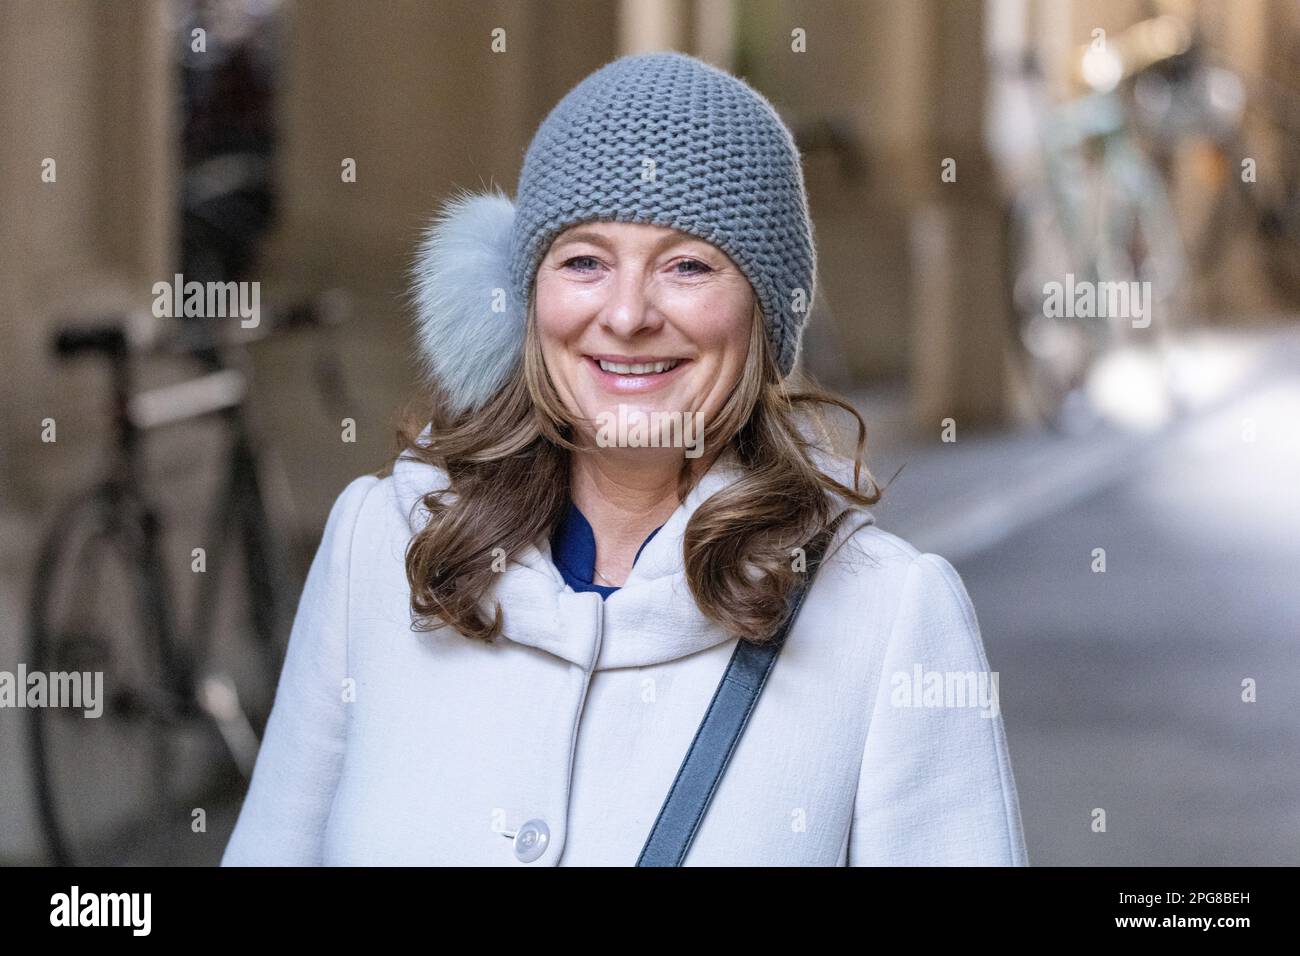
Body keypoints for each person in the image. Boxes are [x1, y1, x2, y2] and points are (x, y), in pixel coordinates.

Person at [221, 50, 1028, 866]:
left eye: (687, 265)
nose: (629, 313)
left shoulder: (887, 617)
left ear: (763, 313)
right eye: (583, 261)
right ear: (527, 299)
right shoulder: (380, 547)